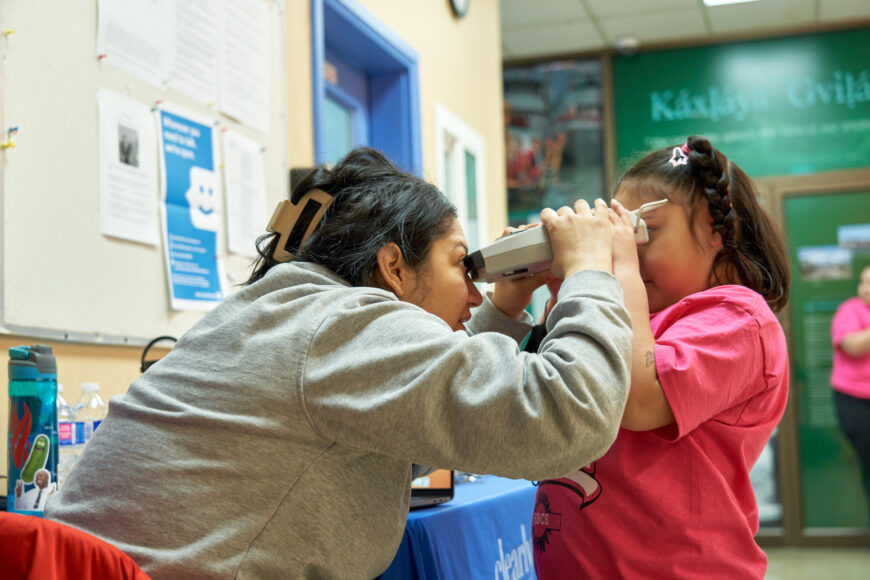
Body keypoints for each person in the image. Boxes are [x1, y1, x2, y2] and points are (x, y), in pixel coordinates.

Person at [46, 147, 633, 579]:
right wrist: (591, 272)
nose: (475, 294)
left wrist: (507, 303)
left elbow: (427, 417)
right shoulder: (345, 325)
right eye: (463, 268)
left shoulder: (299, 314)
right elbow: (568, 416)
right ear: (394, 268)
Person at [532, 135, 790, 579]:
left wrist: (615, 271)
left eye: (641, 230)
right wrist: (565, 296)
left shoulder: (739, 320)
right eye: (619, 232)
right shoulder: (636, 315)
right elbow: (550, 397)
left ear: (713, 229)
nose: (624, 248)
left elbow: (636, 401)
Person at [830, 264, 870, 504]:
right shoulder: (849, 310)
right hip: (854, 400)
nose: (865, 288)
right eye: (863, 282)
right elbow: (852, 346)